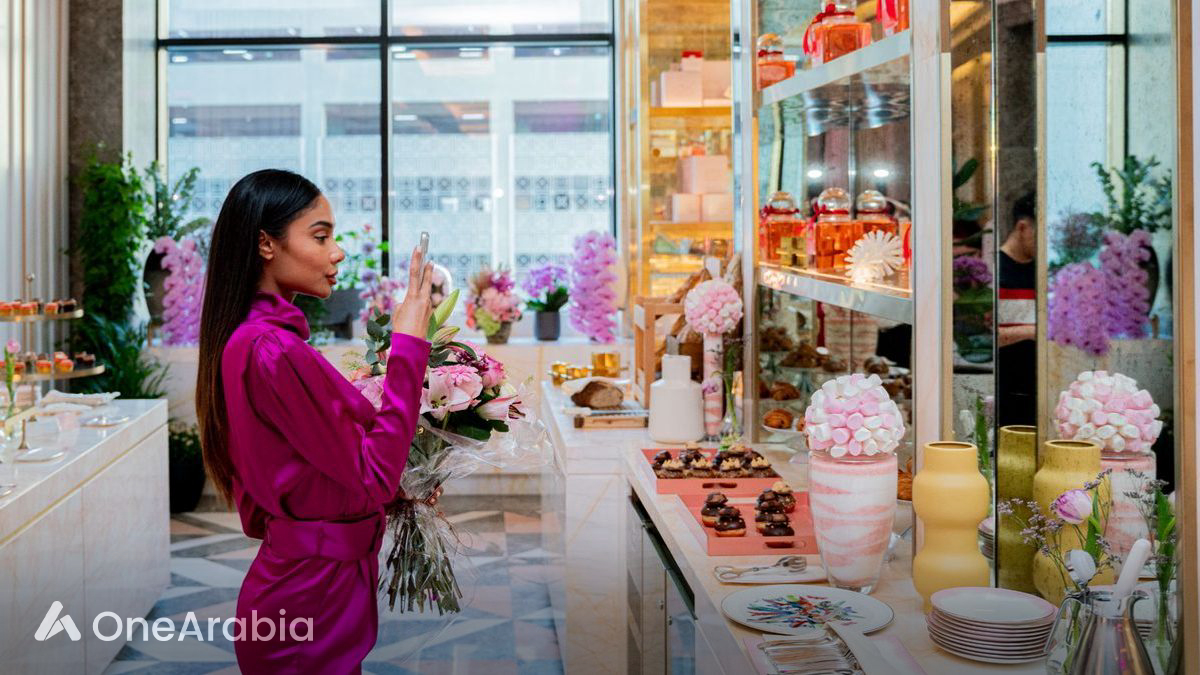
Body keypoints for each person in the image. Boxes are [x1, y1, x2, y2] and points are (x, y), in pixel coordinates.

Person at [195, 169, 434, 674]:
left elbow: (324, 471)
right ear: (266, 243)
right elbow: (371, 476)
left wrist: (392, 494)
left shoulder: (259, 340)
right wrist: (409, 345)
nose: (337, 252)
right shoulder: (271, 349)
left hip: (312, 584)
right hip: (308, 595)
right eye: (320, 236)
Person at [996, 192, 1037, 426]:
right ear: (1023, 227)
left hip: (1038, 385)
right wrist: (1033, 332)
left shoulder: (1042, 273)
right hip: (1002, 385)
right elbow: (981, 337)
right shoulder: (993, 270)